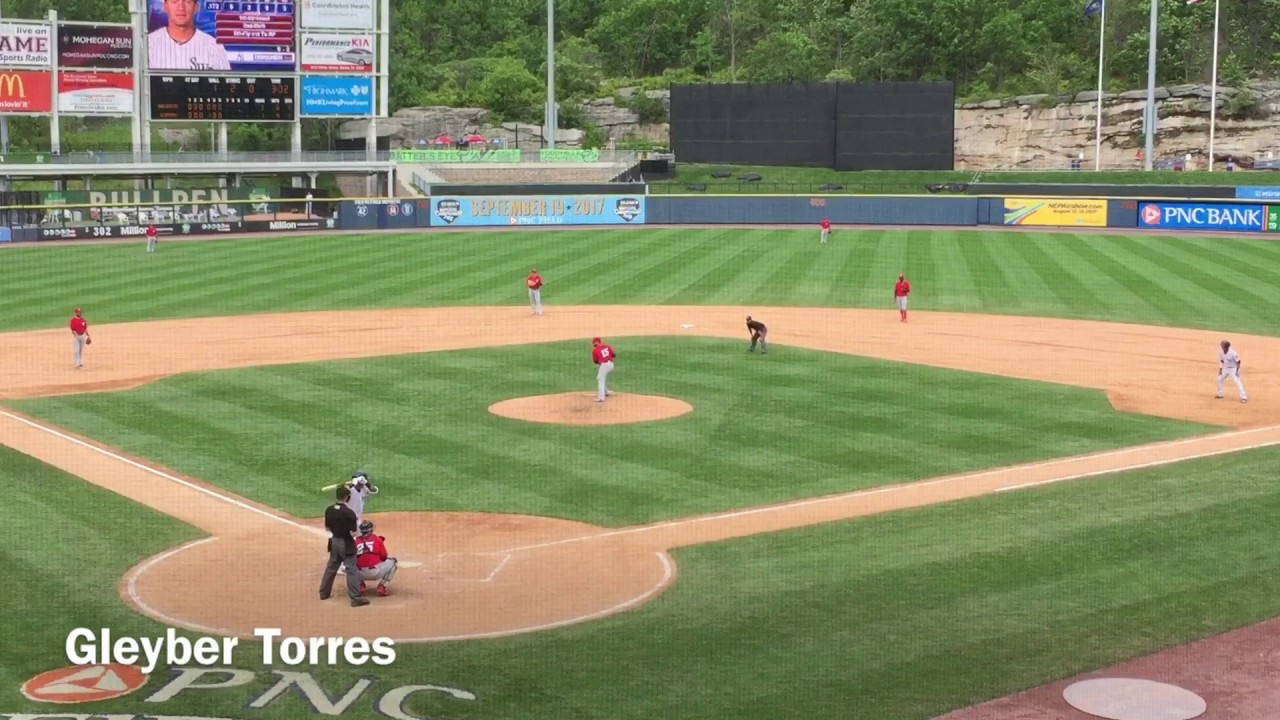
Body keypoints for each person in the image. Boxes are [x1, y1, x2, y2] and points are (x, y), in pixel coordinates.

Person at [318, 486, 370, 607]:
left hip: (334, 542)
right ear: (347, 497)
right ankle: (355, 598)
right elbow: (353, 533)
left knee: (331, 567)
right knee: (351, 569)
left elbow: (327, 528)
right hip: (346, 543)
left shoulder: (329, 510)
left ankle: (324, 592)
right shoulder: (349, 513)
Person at [148, 0, 232, 71]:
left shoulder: (214, 47)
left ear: (196, 7)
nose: (181, 8)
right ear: (165, 7)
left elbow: (226, 85)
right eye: (174, 2)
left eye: (187, 2)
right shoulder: (149, 44)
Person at [355, 520, 399, 597]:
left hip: (359, 573)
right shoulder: (377, 539)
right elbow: (384, 557)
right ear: (371, 530)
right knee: (393, 562)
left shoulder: (356, 541)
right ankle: (382, 586)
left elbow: (351, 558)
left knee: (349, 565)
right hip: (375, 572)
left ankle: (360, 586)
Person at [592, 337, 615, 402]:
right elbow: (613, 355)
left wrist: (601, 364)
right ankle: (606, 391)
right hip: (611, 364)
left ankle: (601, 397)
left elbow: (595, 361)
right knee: (603, 376)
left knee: (600, 378)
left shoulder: (595, 350)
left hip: (604, 365)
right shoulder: (607, 346)